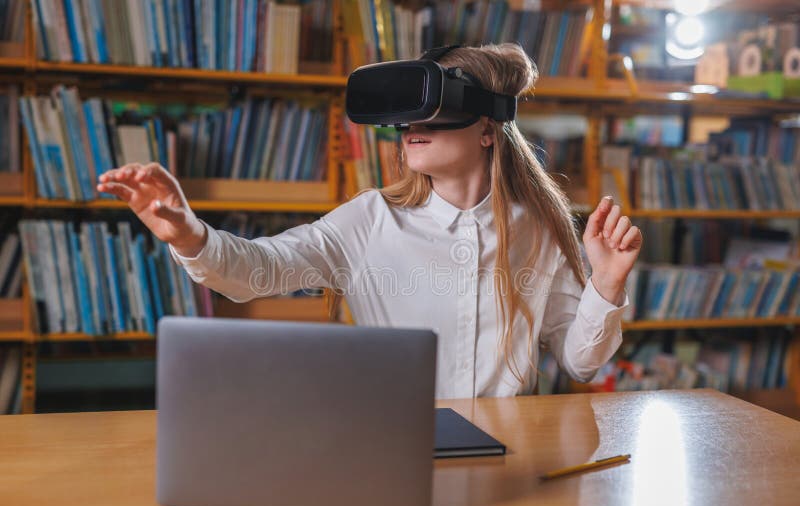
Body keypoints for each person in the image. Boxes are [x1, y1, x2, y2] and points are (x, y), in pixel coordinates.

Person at [97, 43, 642, 399]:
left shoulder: (538, 230)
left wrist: (606, 284)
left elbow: (580, 362)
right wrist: (190, 235)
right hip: (398, 444)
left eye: (428, 111)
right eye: (403, 118)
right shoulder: (370, 221)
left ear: (487, 129)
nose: (409, 127)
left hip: (514, 452)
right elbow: (259, 271)